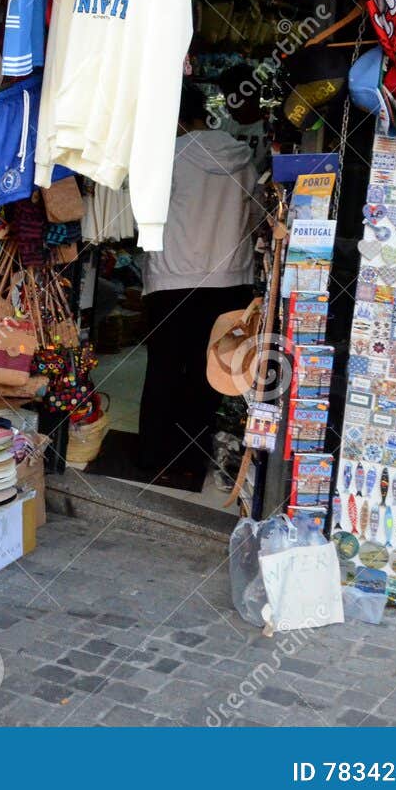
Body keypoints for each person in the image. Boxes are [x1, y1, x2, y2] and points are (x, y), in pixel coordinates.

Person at [133, 84, 263, 488]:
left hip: (172, 279)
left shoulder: (167, 157)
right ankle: (191, 459)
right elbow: (256, 217)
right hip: (229, 280)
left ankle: (152, 455)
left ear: (174, 118)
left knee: (164, 368)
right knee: (208, 375)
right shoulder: (242, 157)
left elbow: (144, 215)